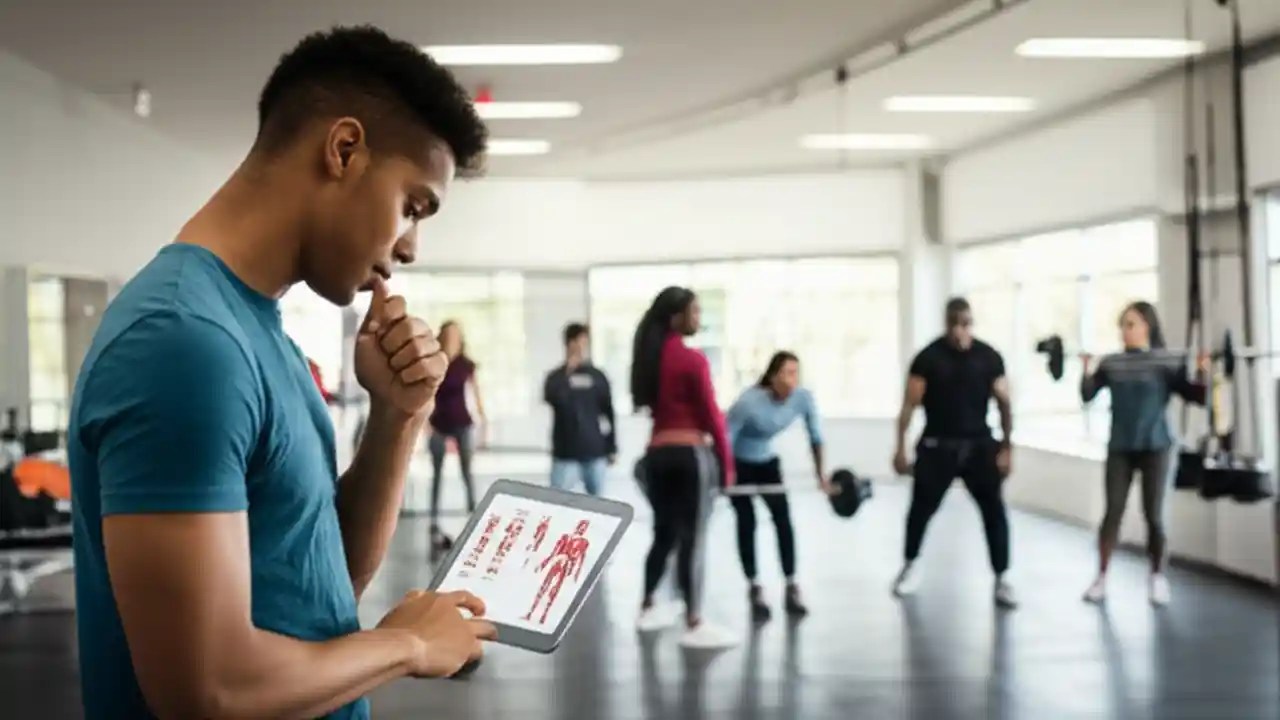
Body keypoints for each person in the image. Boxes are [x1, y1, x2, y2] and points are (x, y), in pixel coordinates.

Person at [66, 27, 495, 720]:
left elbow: (320, 588)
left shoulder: (259, 336)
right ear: (345, 150)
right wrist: (407, 646)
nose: (411, 247)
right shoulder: (184, 340)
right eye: (412, 206)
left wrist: (398, 415)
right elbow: (208, 691)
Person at [892, 297, 1017, 609]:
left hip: (979, 446)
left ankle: (1002, 578)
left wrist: (1007, 448)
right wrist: (900, 447)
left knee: (994, 512)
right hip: (937, 445)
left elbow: (1005, 404)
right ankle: (910, 564)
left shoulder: (989, 358)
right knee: (921, 509)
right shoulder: (928, 358)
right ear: (946, 324)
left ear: (972, 324)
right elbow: (908, 405)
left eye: (966, 324)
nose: (960, 331)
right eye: (955, 325)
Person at [1080, 301, 1206, 606]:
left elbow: (1196, 396)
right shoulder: (1112, 364)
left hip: (1157, 447)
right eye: (1122, 325)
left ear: (1147, 326)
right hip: (1121, 447)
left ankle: (1157, 577)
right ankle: (1101, 578)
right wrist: (1085, 370)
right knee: (1112, 513)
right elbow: (1087, 395)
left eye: (1131, 324)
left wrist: (1203, 371)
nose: (1125, 331)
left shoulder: (1165, 363)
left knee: (1155, 516)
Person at [631, 286, 737, 649]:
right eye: (694, 312)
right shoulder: (692, 360)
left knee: (663, 534)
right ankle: (694, 621)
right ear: (676, 317)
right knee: (693, 539)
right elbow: (712, 417)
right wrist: (726, 466)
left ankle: (647, 606)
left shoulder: (650, 357)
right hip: (690, 456)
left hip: (657, 456)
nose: (698, 319)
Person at [725, 351, 832, 622]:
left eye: (795, 373)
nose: (791, 380)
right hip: (739, 465)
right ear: (772, 376)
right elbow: (725, 441)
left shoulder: (802, 399)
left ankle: (791, 585)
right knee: (746, 521)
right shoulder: (748, 403)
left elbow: (816, 437)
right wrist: (725, 477)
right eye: (786, 373)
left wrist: (821, 476)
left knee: (783, 520)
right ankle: (754, 587)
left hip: (767, 464)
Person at [427, 320, 487, 550]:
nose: (452, 338)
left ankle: (474, 515)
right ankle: (434, 520)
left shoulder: (466, 365)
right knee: (437, 474)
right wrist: (425, 425)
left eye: (455, 335)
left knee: (466, 471)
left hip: (462, 422)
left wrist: (484, 421)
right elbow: (426, 393)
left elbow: (476, 393)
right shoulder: (435, 361)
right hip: (438, 424)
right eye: (448, 334)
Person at [544, 322, 617, 497]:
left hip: (594, 450)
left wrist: (611, 446)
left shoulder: (597, 376)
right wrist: (568, 371)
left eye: (584, 342)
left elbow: (608, 412)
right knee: (556, 501)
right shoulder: (556, 377)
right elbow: (553, 398)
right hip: (565, 452)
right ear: (569, 343)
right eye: (577, 342)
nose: (581, 347)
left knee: (598, 504)